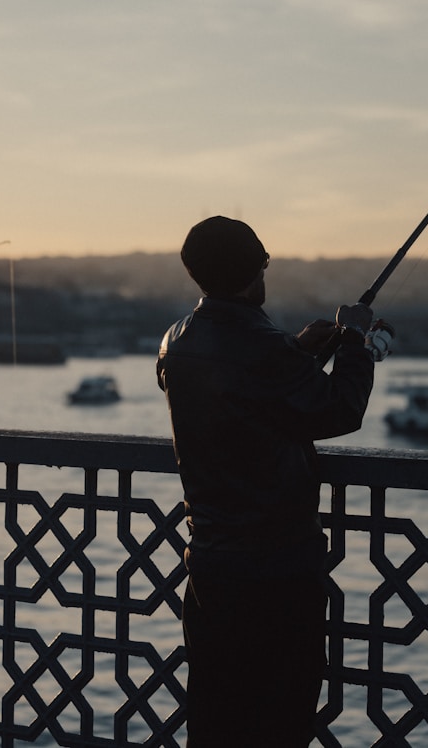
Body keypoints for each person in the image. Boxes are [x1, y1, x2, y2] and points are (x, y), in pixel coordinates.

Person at [156, 216, 385, 747]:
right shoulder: (265, 348)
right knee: (280, 720)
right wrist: (354, 339)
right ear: (257, 268)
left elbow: (233, 391)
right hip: (278, 569)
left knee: (216, 715)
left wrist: (297, 351)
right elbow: (338, 409)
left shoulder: (175, 341)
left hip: (210, 563)